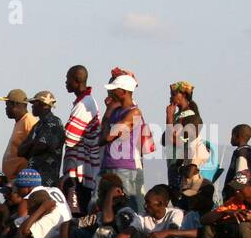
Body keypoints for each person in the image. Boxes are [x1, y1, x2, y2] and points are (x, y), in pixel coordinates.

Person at [100, 69, 152, 212]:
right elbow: (102, 137)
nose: (110, 93)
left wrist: (108, 115)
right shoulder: (116, 112)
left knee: (130, 207)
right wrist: (109, 112)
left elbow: (107, 136)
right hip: (109, 164)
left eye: (114, 90)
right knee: (106, 205)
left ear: (123, 92)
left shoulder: (134, 112)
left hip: (124, 167)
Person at [62, 65, 104, 214]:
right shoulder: (84, 101)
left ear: (77, 80)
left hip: (81, 168)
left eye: (68, 79)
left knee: (77, 210)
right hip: (81, 167)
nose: (65, 82)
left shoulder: (84, 104)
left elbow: (70, 137)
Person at [163, 81, 205, 198]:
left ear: (184, 96)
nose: (171, 97)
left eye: (174, 94)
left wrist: (169, 117)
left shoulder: (192, 117)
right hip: (173, 163)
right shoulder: (178, 116)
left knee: (182, 198)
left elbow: (177, 141)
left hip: (182, 167)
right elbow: (165, 139)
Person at [16, 91, 64, 186]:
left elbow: (40, 146)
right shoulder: (37, 125)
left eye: (35, 103)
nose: (32, 106)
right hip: (32, 180)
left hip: (46, 181)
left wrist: (31, 146)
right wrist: (34, 142)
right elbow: (20, 151)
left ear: (43, 105)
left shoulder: (54, 122)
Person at [0, 88, 37, 180]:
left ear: (15, 104)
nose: (6, 108)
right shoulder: (20, 122)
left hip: (22, 179)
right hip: (14, 179)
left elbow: (34, 150)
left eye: (7, 105)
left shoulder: (28, 121)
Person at [220, 124, 251, 195]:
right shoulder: (246, 152)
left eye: (232, 135)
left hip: (236, 200)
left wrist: (230, 192)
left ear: (237, 136)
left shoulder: (241, 154)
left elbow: (241, 179)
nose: (231, 138)